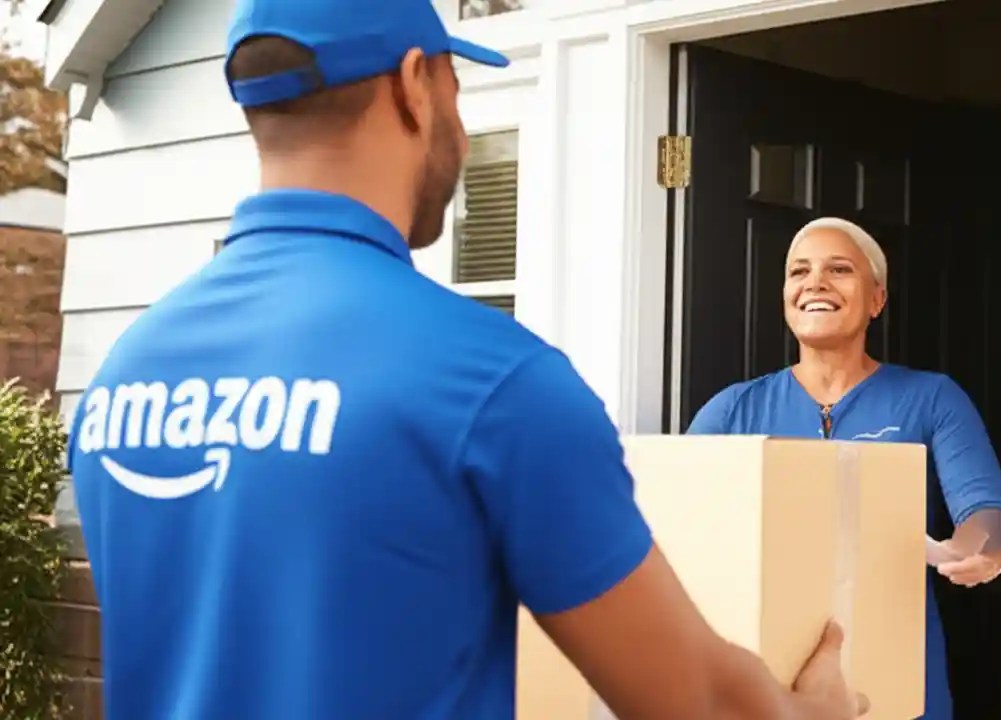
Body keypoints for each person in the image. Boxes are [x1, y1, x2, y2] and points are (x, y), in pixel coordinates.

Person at [65, 2, 869, 719]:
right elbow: (692, 701)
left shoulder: (124, 374)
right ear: (416, 83)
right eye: (456, 85)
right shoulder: (490, 383)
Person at [687, 217, 1001, 720]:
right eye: (799, 271)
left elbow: (990, 513)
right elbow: (675, 519)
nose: (815, 282)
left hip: (892, 665)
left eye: (839, 269)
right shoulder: (733, 410)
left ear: (877, 300)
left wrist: (978, 549)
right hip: (761, 679)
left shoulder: (930, 399)